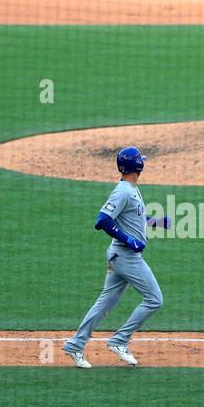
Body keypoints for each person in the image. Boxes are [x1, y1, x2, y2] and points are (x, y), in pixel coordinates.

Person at [62, 147, 163, 368]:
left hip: (119, 255)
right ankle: (120, 340)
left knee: (105, 303)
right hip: (126, 257)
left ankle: (75, 345)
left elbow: (133, 216)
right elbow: (102, 221)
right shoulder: (123, 191)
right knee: (154, 299)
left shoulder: (132, 189)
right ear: (138, 166)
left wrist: (158, 221)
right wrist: (130, 241)